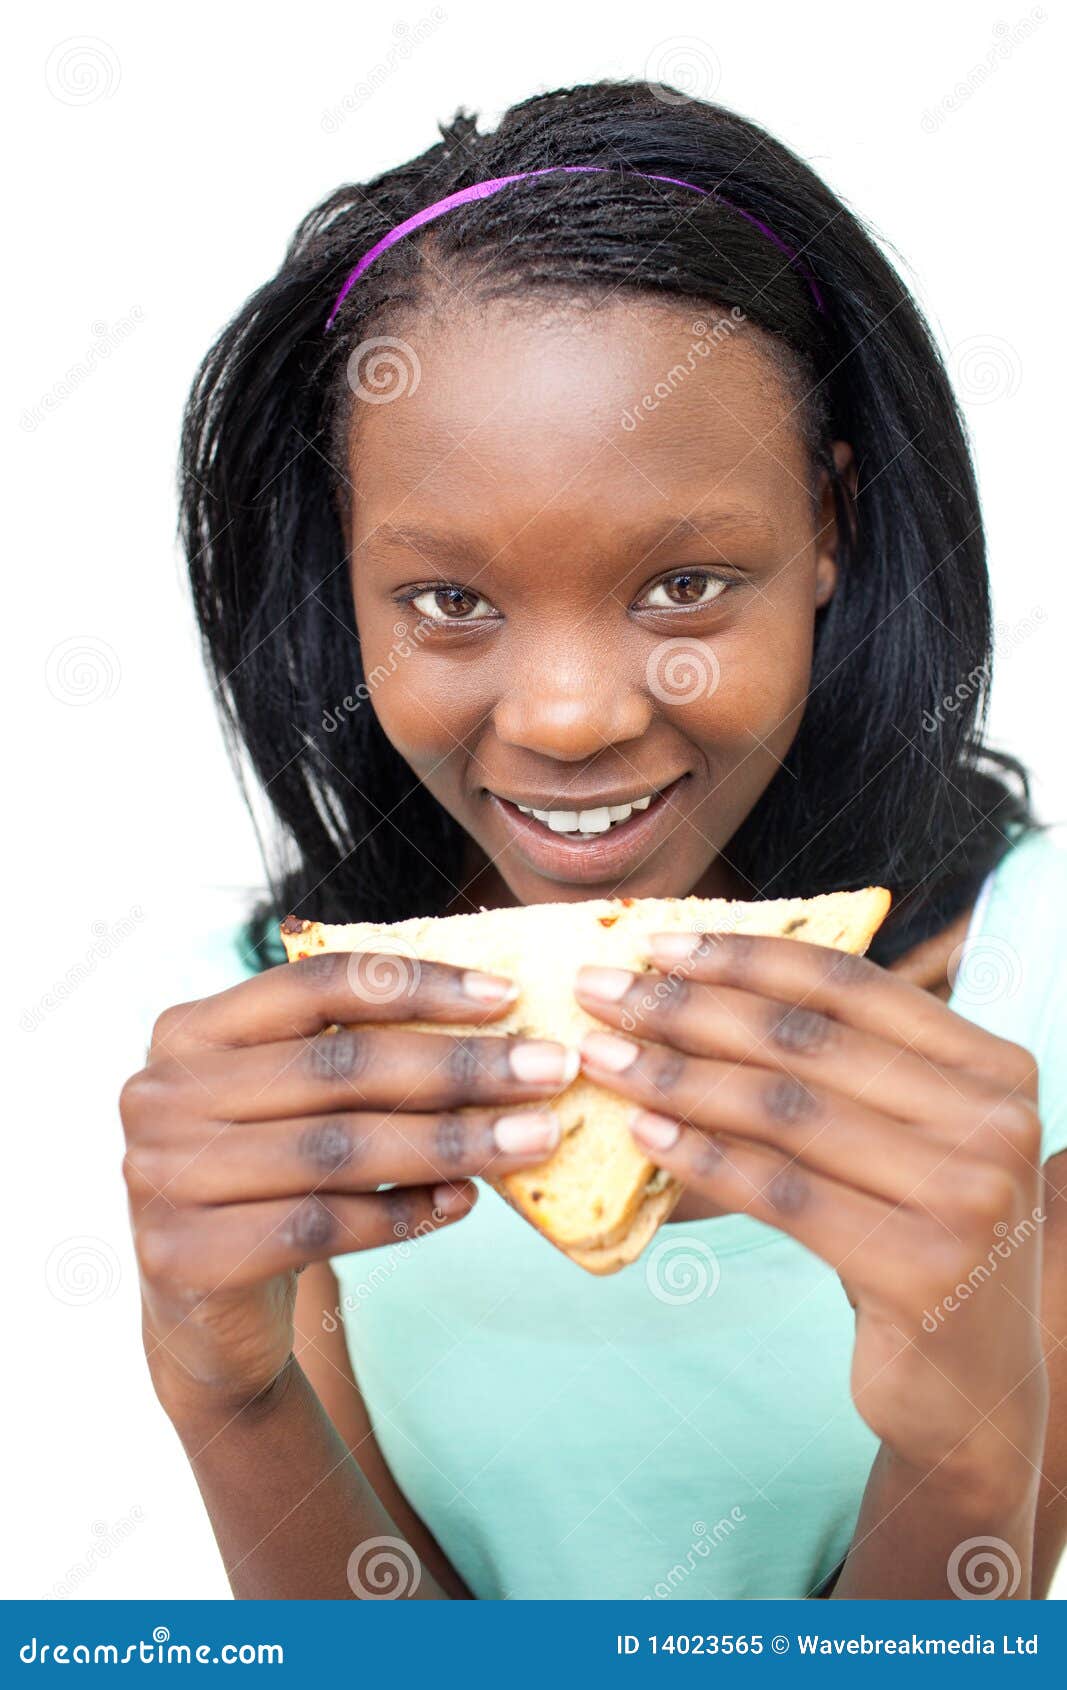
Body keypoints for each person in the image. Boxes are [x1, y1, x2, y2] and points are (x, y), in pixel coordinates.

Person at [119, 81, 1066, 1600]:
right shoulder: (290, 1034)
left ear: (828, 529)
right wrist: (227, 1394)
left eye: (685, 584)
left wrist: (968, 1450)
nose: (566, 718)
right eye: (449, 601)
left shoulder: (1035, 994)